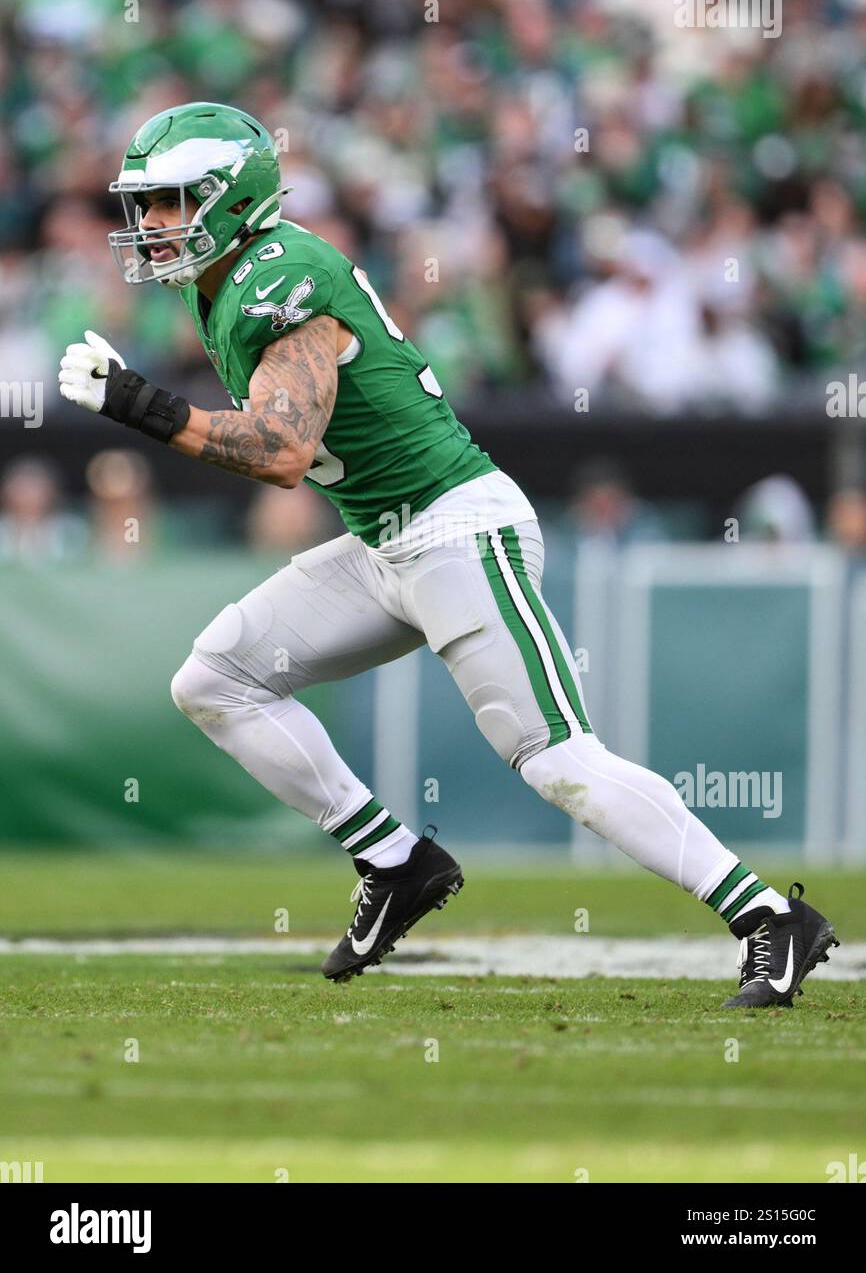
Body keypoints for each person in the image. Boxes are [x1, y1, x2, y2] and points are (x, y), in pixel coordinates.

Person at [59, 102, 837, 1001]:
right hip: (383, 542)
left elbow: (281, 452)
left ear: (230, 199)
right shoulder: (224, 284)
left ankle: (771, 918)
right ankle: (395, 862)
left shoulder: (281, 272)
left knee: (555, 759)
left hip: (456, 527)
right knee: (214, 680)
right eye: (144, 205)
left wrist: (141, 407)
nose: (151, 226)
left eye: (169, 202)